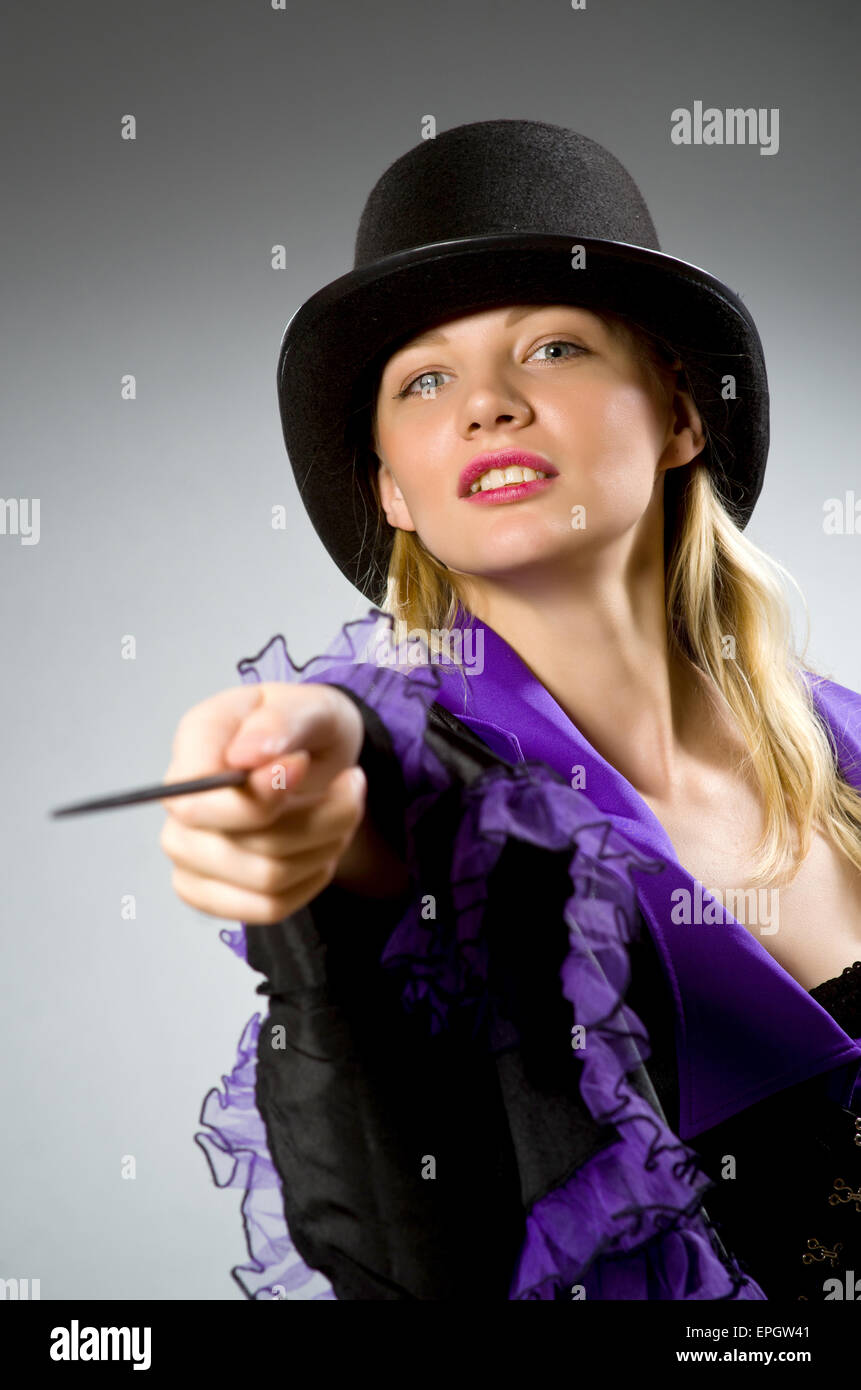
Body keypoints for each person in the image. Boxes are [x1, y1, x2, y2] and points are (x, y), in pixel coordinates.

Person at [161, 121, 861, 1301]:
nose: (488, 403)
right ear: (391, 484)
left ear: (681, 414)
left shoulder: (844, 742)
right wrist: (318, 794)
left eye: (554, 347)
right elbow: (385, 812)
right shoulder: (439, 797)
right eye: (425, 378)